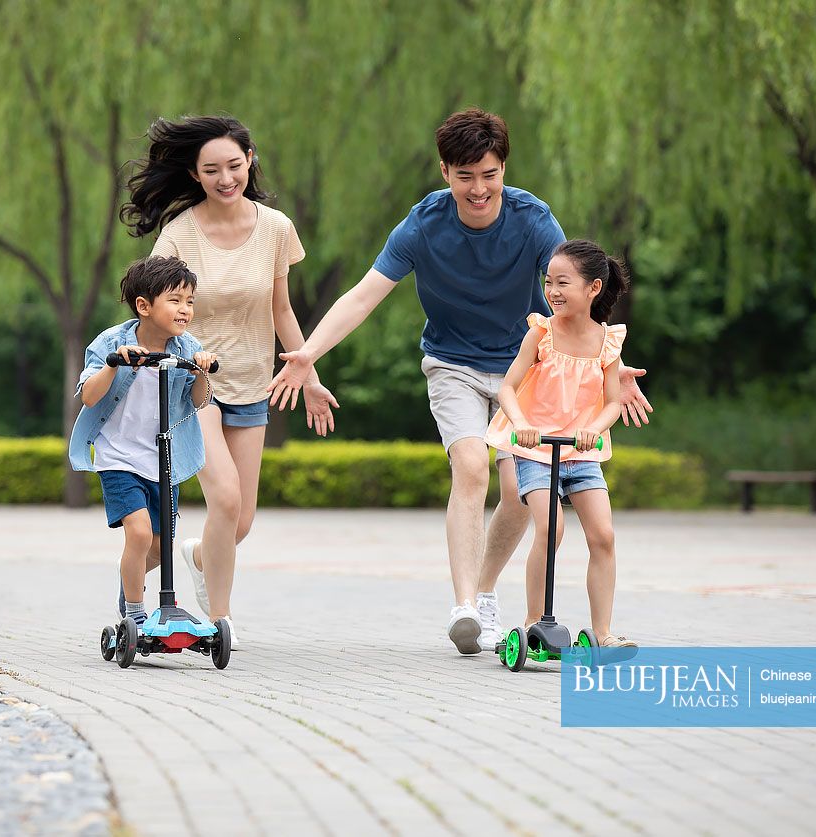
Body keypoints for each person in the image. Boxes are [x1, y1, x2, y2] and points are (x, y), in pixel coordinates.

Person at [268, 108, 652, 654]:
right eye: (465, 175)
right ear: (445, 171)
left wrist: (609, 367)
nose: (479, 189)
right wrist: (307, 353)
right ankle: (466, 605)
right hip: (453, 364)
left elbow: (577, 296)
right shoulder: (423, 225)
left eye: (490, 175)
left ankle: (489, 590)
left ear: (503, 170)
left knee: (520, 493)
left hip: (525, 371)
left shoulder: (533, 219)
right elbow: (364, 294)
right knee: (471, 466)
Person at [119, 115, 338, 643]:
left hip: (253, 383)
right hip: (194, 387)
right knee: (226, 500)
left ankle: (179, 561)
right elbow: (152, 313)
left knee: (240, 522)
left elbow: (280, 309)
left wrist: (305, 370)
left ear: (250, 161)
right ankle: (220, 620)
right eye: (211, 170)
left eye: (234, 166)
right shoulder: (179, 234)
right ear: (195, 175)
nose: (225, 178)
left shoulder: (276, 228)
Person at [483, 239, 636, 647]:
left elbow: (612, 402)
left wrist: (595, 428)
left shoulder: (607, 342)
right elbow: (509, 388)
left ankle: (602, 633)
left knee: (603, 535)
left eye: (563, 283)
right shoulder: (541, 333)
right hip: (536, 449)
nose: (552, 291)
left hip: (581, 453)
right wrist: (520, 423)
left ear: (593, 289)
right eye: (548, 282)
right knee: (551, 529)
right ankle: (536, 623)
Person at [68, 256, 218, 634]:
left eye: (190, 301)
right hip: (118, 457)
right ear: (144, 306)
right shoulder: (112, 342)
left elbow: (199, 401)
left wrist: (200, 370)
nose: (185, 309)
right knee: (137, 534)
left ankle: (128, 578)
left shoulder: (188, 347)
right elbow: (88, 396)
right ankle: (134, 611)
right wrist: (115, 365)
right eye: (176, 300)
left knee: (158, 548)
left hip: (164, 460)